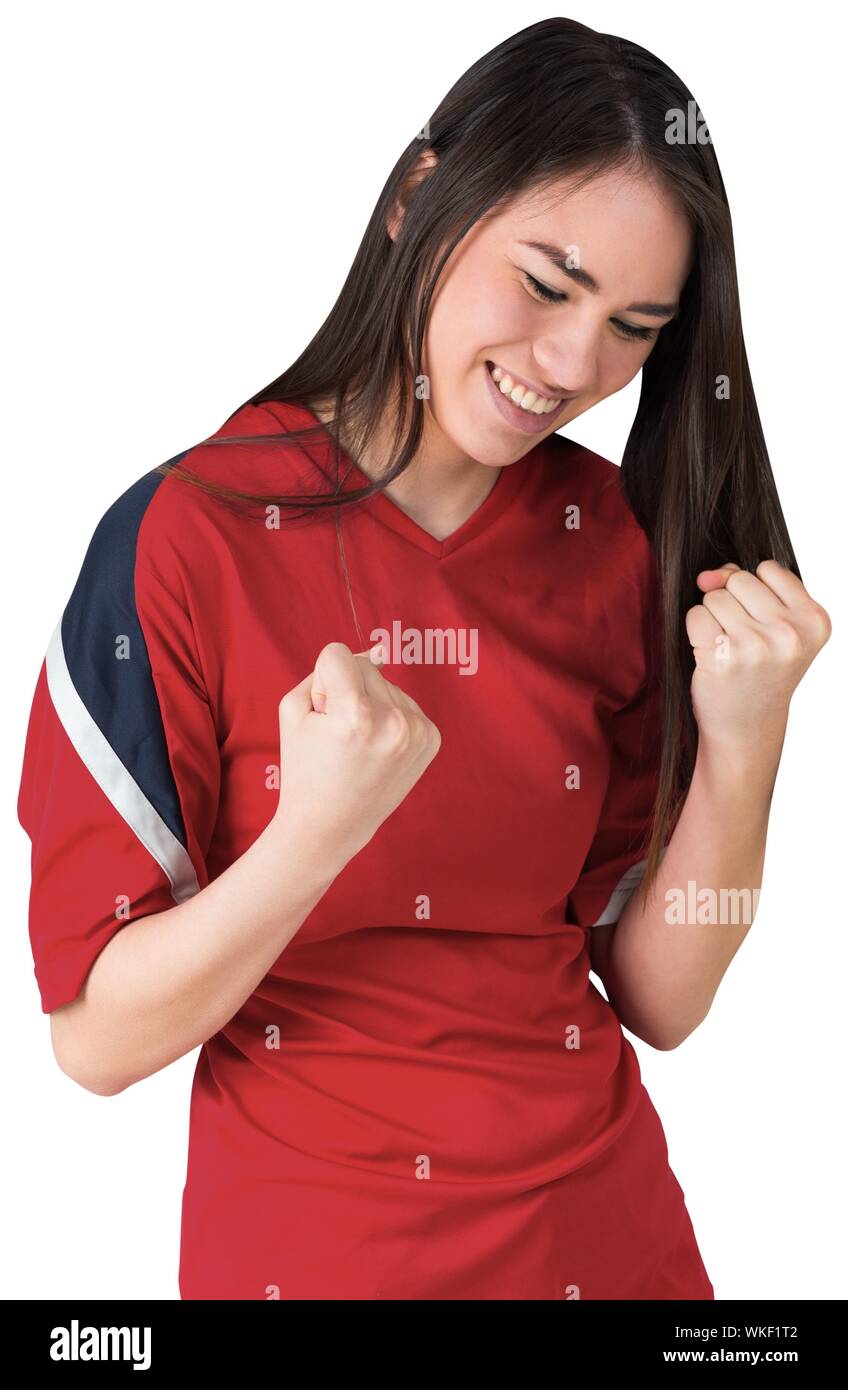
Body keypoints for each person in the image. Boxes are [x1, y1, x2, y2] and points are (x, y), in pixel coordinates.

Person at [17, 17, 831, 1300]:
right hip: (314, 1259)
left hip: (608, 1249)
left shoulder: (615, 548)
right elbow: (95, 1041)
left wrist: (746, 740)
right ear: (415, 199)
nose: (571, 367)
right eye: (547, 284)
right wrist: (312, 834)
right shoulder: (182, 538)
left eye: (631, 326)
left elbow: (657, 1000)